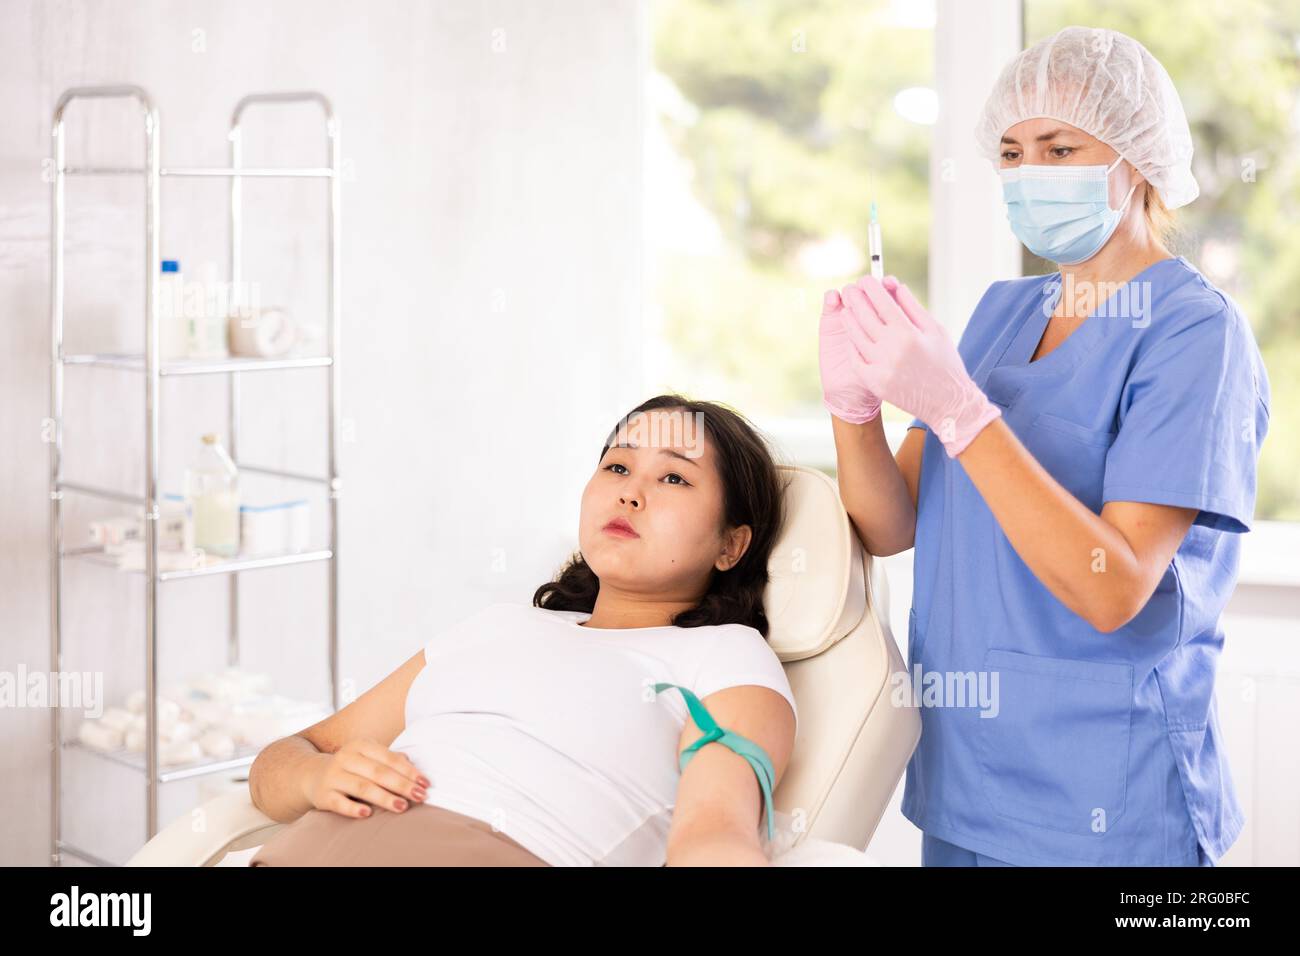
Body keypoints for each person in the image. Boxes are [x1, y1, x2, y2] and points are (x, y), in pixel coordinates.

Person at [819, 25, 1270, 866]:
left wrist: (963, 414)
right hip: (967, 786)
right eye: (1013, 153)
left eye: (1061, 147)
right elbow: (893, 525)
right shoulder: (1002, 314)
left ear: (1134, 158)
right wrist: (853, 409)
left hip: (1112, 800)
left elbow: (1116, 588)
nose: (1029, 175)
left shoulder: (1192, 335)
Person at [247, 395, 798, 866]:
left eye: (674, 477)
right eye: (617, 467)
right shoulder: (498, 627)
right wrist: (313, 779)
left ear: (732, 545)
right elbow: (288, 756)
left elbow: (713, 835)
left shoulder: (723, 654)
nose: (630, 494)